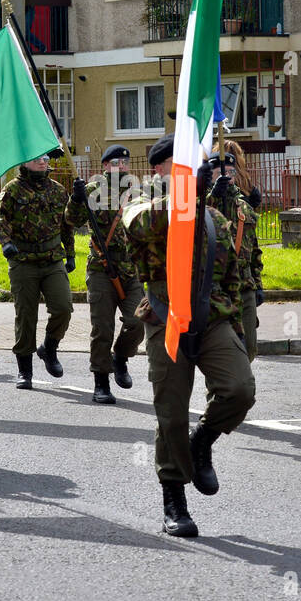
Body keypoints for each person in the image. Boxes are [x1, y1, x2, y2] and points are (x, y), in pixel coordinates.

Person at [123, 134, 255, 538]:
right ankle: (174, 497)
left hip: (213, 319)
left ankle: (203, 441)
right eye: (180, 166)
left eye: (194, 165)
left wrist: (235, 325)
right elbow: (137, 225)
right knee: (171, 413)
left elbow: (233, 274)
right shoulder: (140, 202)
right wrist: (182, 196)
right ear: (160, 169)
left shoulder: (213, 215)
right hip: (167, 319)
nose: (191, 172)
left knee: (239, 389)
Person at [64, 144, 142, 404]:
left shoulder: (138, 192)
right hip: (101, 267)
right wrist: (76, 199)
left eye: (125, 163)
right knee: (102, 328)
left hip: (131, 269)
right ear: (105, 166)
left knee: (137, 321)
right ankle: (101, 382)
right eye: (116, 163)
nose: (121, 167)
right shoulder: (92, 190)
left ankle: (120, 357)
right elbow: (71, 220)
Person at [0, 152, 75, 388]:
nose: (43, 162)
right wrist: (6, 242)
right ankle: (25, 370)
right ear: (25, 161)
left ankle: (49, 348)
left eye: (46, 159)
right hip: (23, 260)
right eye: (37, 158)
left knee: (63, 307)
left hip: (52, 259)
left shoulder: (58, 190)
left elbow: (66, 225)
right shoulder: (12, 189)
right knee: (26, 316)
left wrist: (70, 254)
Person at [204, 145, 263, 362]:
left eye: (230, 172)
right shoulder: (201, 204)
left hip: (244, 285)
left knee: (248, 348)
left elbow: (253, 249)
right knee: (220, 350)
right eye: (220, 173)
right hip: (215, 287)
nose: (226, 177)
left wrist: (258, 284)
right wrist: (213, 197)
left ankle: (240, 391)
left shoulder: (244, 208)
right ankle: (224, 391)